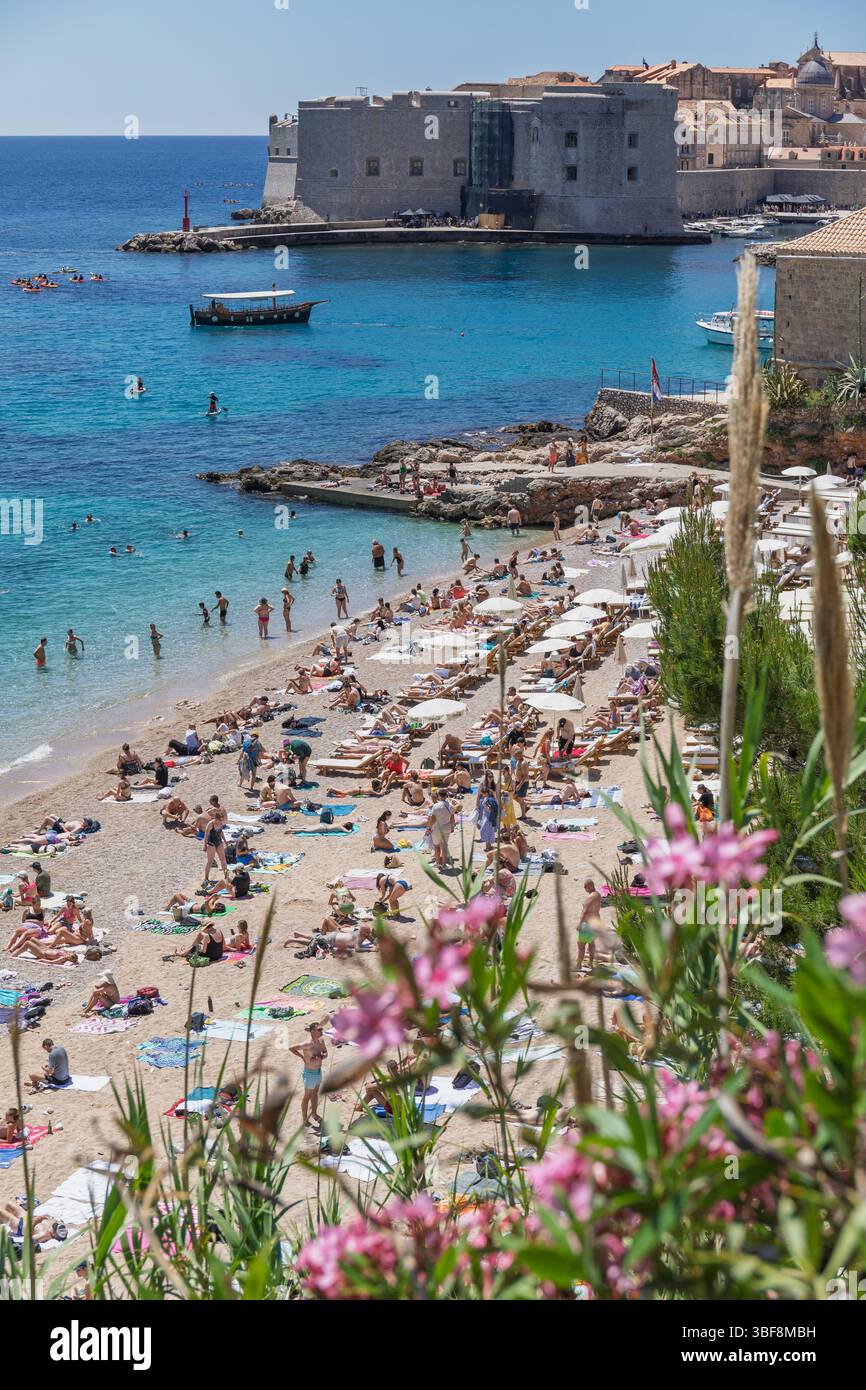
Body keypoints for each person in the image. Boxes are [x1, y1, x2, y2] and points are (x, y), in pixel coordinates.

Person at [290, 1022, 327, 1127]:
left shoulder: (321, 1041)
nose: (321, 1031)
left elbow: (325, 1052)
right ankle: (305, 1119)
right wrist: (302, 1057)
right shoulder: (307, 1044)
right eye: (319, 1030)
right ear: (312, 1031)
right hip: (310, 1073)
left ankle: (314, 1114)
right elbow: (291, 1048)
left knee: (315, 1093)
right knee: (307, 1096)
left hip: (318, 1071)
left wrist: (320, 1057)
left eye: (321, 1029)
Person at [577, 879, 602, 973]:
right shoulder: (598, 895)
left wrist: (579, 924)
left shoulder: (590, 897)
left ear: (591, 886)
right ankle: (590, 963)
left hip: (587, 924)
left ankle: (578, 965)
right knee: (591, 943)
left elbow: (585, 911)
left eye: (586, 886)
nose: (584, 888)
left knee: (581, 945)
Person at [427, 789, 456, 869]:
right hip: (447, 827)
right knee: (444, 846)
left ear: (439, 796)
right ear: (446, 796)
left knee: (437, 846)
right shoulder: (451, 806)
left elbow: (433, 819)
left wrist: (429, 827)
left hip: (437, 828)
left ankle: (437, 863)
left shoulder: (436, 806)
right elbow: (452, 819)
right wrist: (452, 827)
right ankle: (444, 864)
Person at [203, 814, 229, 886]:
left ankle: (226, 876)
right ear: (216, 819)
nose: (221, 821)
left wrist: (225, 841)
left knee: (223, 859)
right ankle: (206, 878)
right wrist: (205, 845)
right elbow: (206, 835)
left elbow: (221, 832)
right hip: (211, 843)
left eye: (222, 820)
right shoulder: (210, 824)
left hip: (219, 842)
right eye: (220, 820)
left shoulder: (220, 823)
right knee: (210, 861)